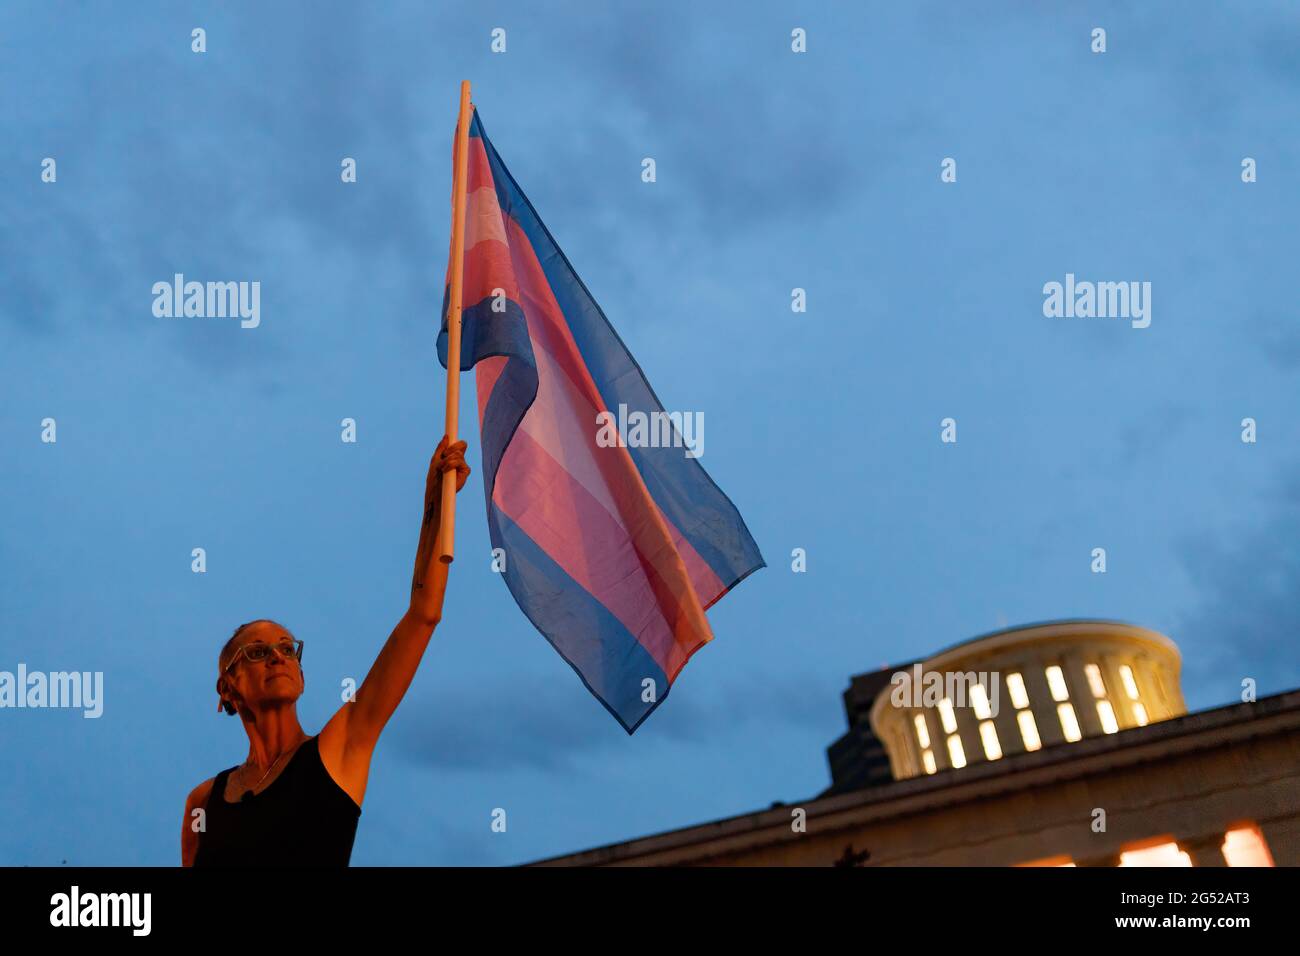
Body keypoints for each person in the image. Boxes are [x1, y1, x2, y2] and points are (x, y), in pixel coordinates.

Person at [181, 436, 470, 866]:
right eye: (257, 653)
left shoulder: (339, 750)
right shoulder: (203, 803)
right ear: (227, 687)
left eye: (287, 648)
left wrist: (436, 502)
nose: (279, 656)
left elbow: (423, 615)